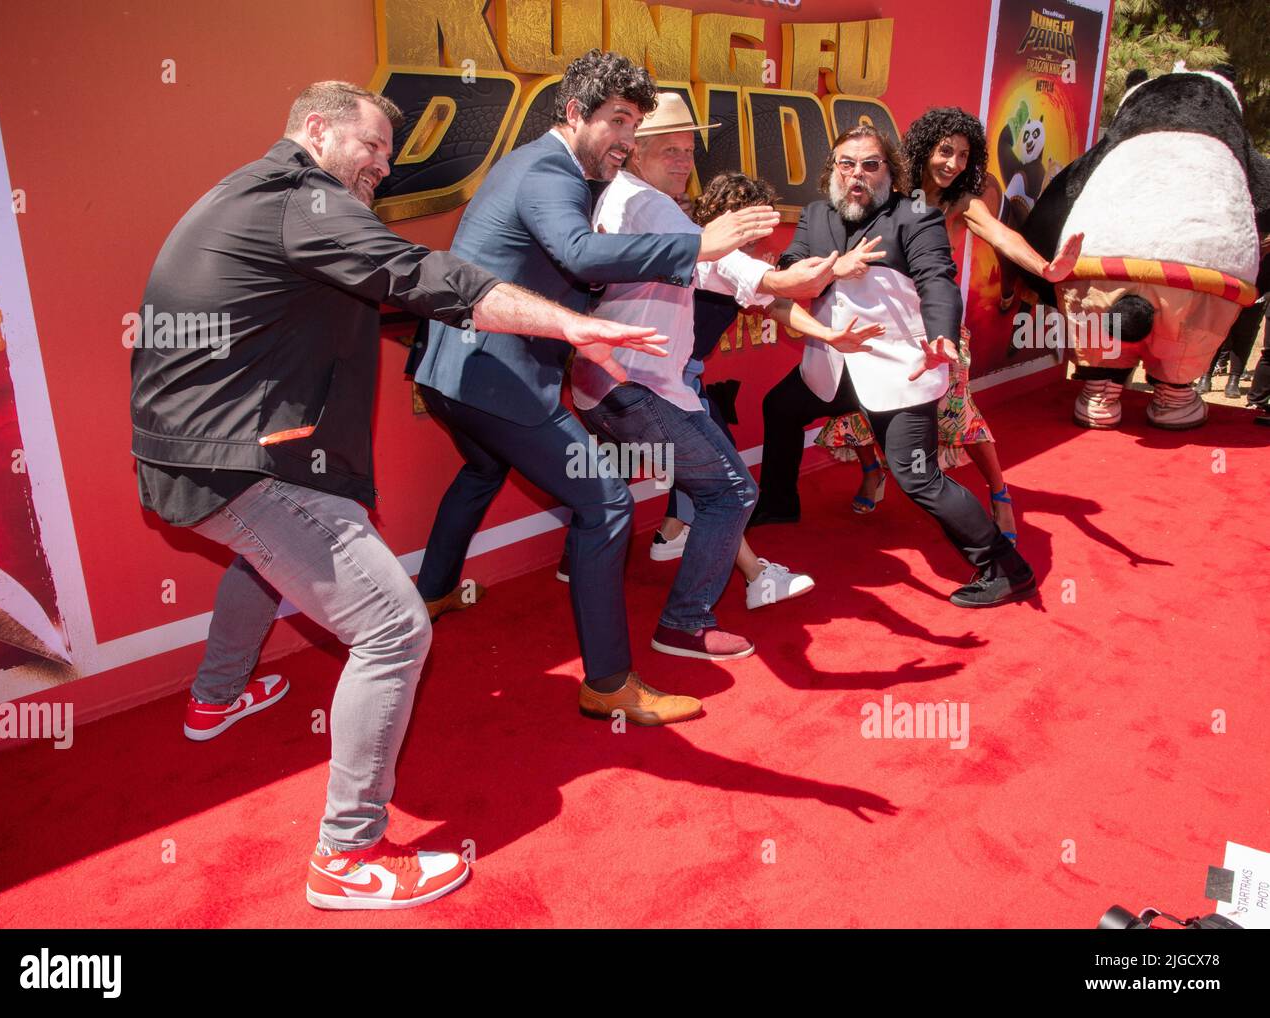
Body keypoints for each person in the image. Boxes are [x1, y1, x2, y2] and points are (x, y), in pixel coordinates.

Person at [130, 81, 668, 910]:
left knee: (266, 559)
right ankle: (345, 858)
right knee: (390, 628)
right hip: (241, 462)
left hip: (201, 455)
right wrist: (570, 325)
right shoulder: (303, 198)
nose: (383, 164)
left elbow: (371, 293)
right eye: (373, 146)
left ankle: (215, 698)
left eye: (389, 152)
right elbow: (420, 271)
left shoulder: (259, 196)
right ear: (315, 130)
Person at [410, 52, 779, 723]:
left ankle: (431, 591)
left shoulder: (547, 170)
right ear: (574, 113)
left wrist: (594, 324)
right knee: (606, 504)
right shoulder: (549, 171)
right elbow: (578, 255)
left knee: (484, 466)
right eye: (616, 121)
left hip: (454, 371)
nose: (626, 139)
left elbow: (563, 270)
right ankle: (608, 684)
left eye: (633, 125)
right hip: (493, 374)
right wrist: (699, 245)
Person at [570, 98, 883, 659]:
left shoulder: (637, 202)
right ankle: (684, 622)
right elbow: (727, 264)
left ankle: (631, 564)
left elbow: (718, 267)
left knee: (643, 489)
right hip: (635, 387)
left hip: (614, 386)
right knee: (732, 490)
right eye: (671, 148)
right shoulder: (646, 204)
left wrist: (800, 284)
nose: (685, 159)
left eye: (690, 150)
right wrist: (798, 276)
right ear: (636, 149)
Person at [749, 125, 1037, 607]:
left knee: (916, 475)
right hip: (836, 365)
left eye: (870, 164)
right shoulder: (816, 216)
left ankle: (1006, 569)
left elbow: (937, 280)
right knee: (781, 406)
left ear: (890, 171)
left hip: (895, 371)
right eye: (846, 163)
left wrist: (942, 335)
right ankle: (778, 503)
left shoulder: (915, 216)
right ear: (833, 169)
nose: (856, 174)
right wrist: (830, 270)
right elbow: (787, 278)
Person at [814, 107, 1083, 544]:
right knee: (856, 403)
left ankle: (1000, 495)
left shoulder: (962, 202)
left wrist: (1046, 268)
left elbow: (1001, 236)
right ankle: (871, 472)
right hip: (877, 324)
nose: (953, 164)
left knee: (956, 412)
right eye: (945, 151)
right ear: (924, 149)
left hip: (936, 331)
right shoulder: (888, 189)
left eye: (963, 155)